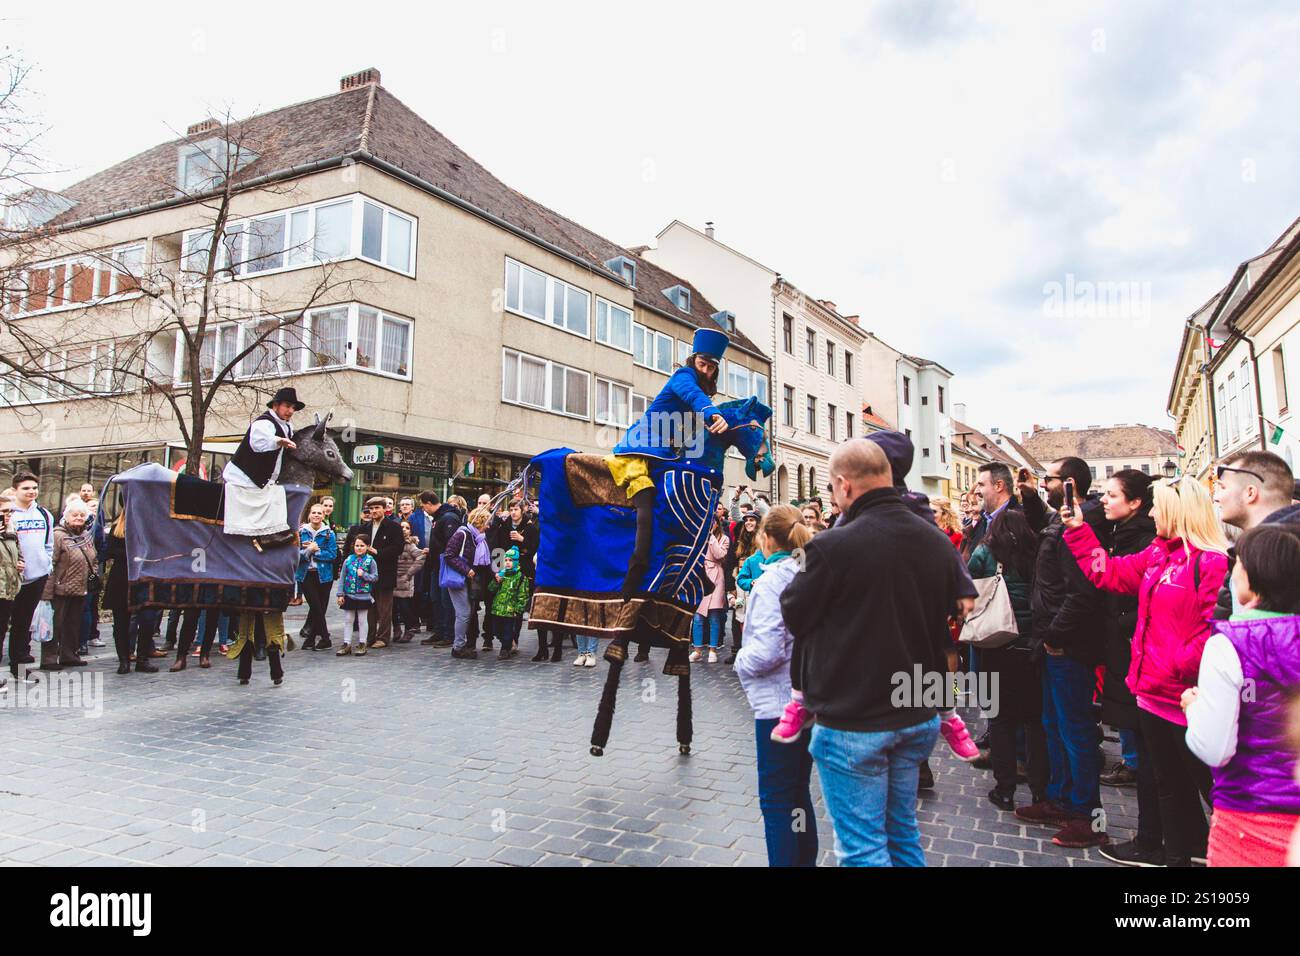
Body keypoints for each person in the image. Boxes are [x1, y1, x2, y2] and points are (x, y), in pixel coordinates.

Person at [780, 440, 974, 867]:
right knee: (902, 836)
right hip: (915, 714)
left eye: (832, 489)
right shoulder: (935, 540)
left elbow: (795, 614)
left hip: (855, 719)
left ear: (845, 486)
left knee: (862, 849)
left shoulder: (832, 547)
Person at [1062, 477, 1228, 867]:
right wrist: (1079, 531)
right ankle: (1178, 856)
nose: (1152, 514)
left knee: (1212, 790)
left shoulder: (1212, 563)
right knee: (1167, 787)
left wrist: (1173, 666)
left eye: (1159, 507)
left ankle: (1229, 853)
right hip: (1152, 693)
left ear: (1178, 512)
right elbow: (1111, 573)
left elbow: (1214, 632)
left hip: (1184, 698)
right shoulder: (1159, 554)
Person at [1184, 523, 1300, 867]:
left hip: (1249, 815)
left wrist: (1194, 708)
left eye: (1238, 566)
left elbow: (1214, 748)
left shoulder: (1231, 644)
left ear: (1254, 578)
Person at [1018, 456, 1112, 850]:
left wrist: (1056, 633)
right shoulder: (1062, 517)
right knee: (1053, 723)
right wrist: (1026, 493)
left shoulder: (1082, 524)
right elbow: (1043, 526)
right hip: (1050, 639)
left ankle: (1086, 814)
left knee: (1075, 730)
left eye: (1049, 479)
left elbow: (1082, 592)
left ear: (1070, 483)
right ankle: (1060, 798)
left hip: (1068, 643)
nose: (1044, 483)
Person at [734, 505, 818, 866]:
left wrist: (740, 660)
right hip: (810, 698)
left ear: (767, 539)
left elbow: (766, 651)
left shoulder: (771, 582)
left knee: (778, 799)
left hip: (777, 704)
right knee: (798, 793)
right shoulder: (810, 573)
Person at [1091, 471, 1162, 866]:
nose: (1103, 500)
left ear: (1136, 503)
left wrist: (1122, 625)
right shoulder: (1125, 535)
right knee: (1146, 744)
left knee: (1155, 755)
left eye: (1112, 494)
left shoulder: (1146, 542)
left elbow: (1122, 584)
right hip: (1129, 656)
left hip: (1143, 661)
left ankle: (1158, 839)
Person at [968, 509, 1049, 811]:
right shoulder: (1037, 549)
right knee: (1033, 720)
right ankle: (1041, 790)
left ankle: (1004, 790)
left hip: (996, 642)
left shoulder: (986, 551)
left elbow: (967, 585)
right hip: (1031, 643)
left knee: (1000, 719)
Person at [1212, 450, 1300, 620]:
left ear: (1250, 493)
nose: (1216, 497)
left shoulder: (1288, 558)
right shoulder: (1245, 553)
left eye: (1223, 487)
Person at [220, 386, 303, 548]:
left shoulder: (287, 427)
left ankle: (269, 534)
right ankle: (263, 536)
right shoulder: (264, 423)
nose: (290, 411)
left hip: (264, 478)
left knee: (277, 494)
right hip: (245, 476)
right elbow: (258, 442)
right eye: (287, 406)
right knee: (273, 496)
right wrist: (278, 441)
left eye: (293, 408)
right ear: (275, 405)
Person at [39, 498, 95, 671]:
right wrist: (47, 593)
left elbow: (94, 558)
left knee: (73, 624)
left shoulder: (85, 536)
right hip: (59, 588)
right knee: (54, 625)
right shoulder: (58, 535)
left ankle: (69, 655)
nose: (78, 518)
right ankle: (49, 659)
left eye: (82, 515)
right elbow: (51, 564)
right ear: (66, 516)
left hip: (79, 588)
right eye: (75, 515)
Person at [7, 473, 53, 685]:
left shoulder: (44, 514)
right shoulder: (8, 514)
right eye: (26, 488)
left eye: (34, 488)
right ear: (15, 490)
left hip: (36, 577)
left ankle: (20, 667)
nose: (31, 491)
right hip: (10, 579)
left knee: (24, 624)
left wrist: (46, 563)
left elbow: (48, 543)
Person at [343, 497, 403, 649]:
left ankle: (383, 637)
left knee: (384, 608)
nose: (374, 511)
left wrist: (378, 552)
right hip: (365, 574)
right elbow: (356, 546)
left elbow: (398, 548)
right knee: (368, 607)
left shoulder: (393, 527)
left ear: (384, 509)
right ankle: (368, 637)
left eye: (377, 508)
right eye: (372, 509)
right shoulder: (364, 527)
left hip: (385, 572)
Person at [445, 507, 490, 660]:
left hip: (465, 579)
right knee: (463, 613)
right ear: (480, 522)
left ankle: (460, 645)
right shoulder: (463, 533)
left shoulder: (476, 536)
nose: (488, 526)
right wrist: (467, 570)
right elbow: (449, 555)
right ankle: (458, 647)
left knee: (466, 612)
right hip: (458, 578)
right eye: (487, 523)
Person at [689, 512, 731, 664]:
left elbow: (720, 555)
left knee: (714, 616)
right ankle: (698, 650)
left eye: (711, 522)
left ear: (716, 523)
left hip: (716, 578)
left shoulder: (724, 538)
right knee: (698, 616)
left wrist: (711, 537)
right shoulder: (698, 535)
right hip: (700, 576)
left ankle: (713, 650)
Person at [296, 503, 337, 650]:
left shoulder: (329, 533)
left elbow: (332, 554)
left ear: (324, 515)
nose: (316, 515)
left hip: (324, 575)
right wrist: (307, 550)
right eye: (314, 513)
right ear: (309, 515)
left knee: (319, 608)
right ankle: (325, 638)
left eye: (319, 513)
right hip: (306, 574)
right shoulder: (301, 532)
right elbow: (295, 555)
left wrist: (316, 551)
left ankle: (311, 639)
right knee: (315, 605)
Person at [726, 511, 760, 664]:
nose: (748, 523)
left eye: (752, 520)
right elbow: (733, 561)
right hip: (740, 585)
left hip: (754, 585)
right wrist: (731, 586)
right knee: (737, 616)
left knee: (753, 618)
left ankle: (752, 652)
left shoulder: (761, 541)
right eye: (747, 520)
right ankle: (737, 651)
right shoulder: (741, 541)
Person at [335, 534, 378, 656]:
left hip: (363, 595)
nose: (359, 548)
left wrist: (364, 574)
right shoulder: (348, 560)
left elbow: (375, 577)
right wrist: (340, 594)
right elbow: (342, 577)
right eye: (357, 545)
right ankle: (346, 643)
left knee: (362, 620)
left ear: (368, 547)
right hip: (349, 594)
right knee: (348, 619)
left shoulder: (371, 561)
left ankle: (362, 642)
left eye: (362, 546)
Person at [489, 546, 530, 661]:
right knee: (496, 630)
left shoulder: (521, 577)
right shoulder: (502, 574)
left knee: (507, 630)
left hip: (510, 611)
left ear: (516, 562)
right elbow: (491, 589)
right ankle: (508, 642)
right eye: (506, 560)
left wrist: (518, 609)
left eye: (510, 561)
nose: (507, 563)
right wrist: (496, 581)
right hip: (497, 608)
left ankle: (505, 649)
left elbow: (523, 596)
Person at [0, 499, 22, 692]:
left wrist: (19, 567)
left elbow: (19, 555)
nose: (8, 515)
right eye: (4, 511)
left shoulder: (11, 532)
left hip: (7, 590)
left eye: (10, 512)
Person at [393, 520, 427, 643]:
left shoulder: (410, 545)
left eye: (407, 528)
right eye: (402, 527)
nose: (404, 529)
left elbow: (421, 557)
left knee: (404, 606)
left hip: (404, 581)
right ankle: (396, 628)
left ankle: (409, 628)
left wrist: (409, 573)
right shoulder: (394, 543)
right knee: (392, 607)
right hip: (392, 579)